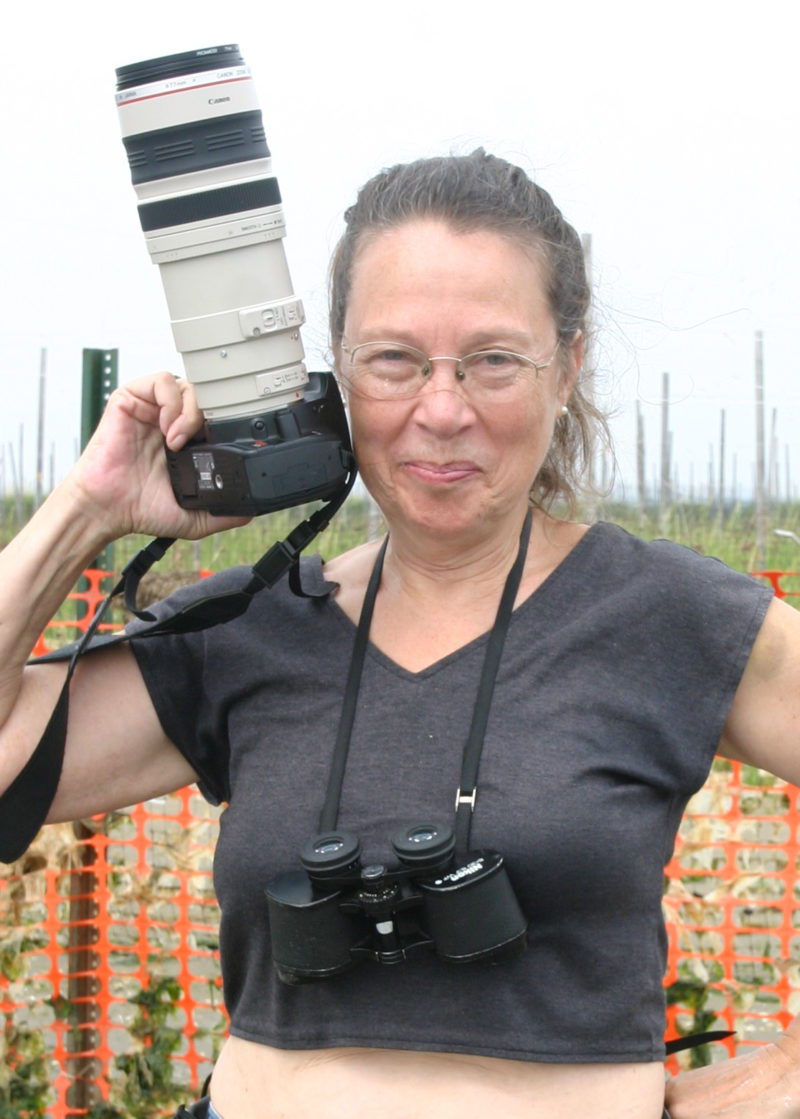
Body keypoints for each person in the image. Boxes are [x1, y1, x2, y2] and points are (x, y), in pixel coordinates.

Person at [1, 150, 800, 1119]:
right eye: (394, 361)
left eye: (492, 361)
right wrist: (86, 511)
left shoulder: (667, 616)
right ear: (337, 371)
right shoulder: (252, 627)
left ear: (568, 367)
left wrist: (759, 1092)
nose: (441, 410)